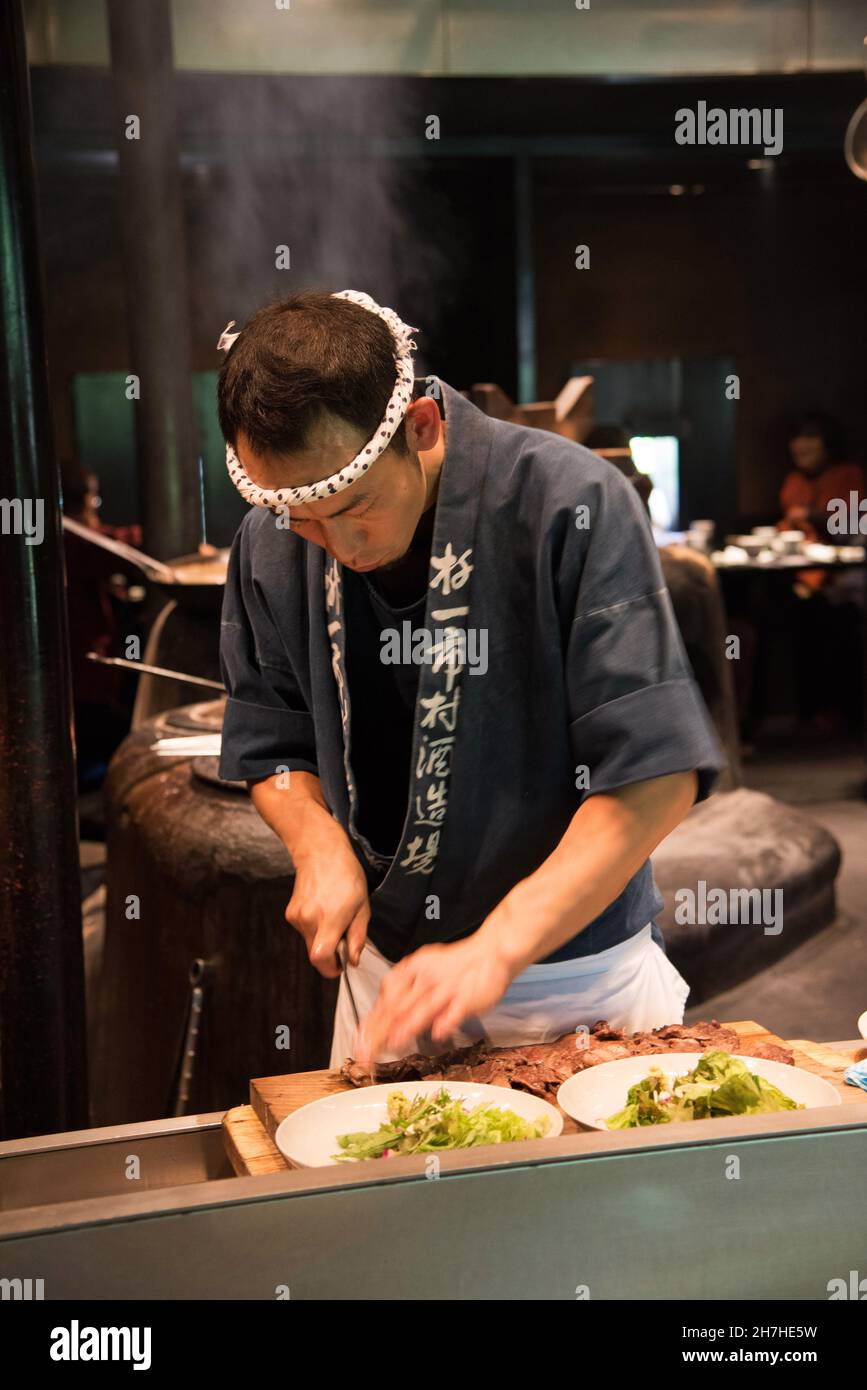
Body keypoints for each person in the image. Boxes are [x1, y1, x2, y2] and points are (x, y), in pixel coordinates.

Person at [216, 290, 721, 1068]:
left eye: (354, 507)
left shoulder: (572, 502)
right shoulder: (271, 537)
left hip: (576, 980)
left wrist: (497, 948)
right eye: (302, 519)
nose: (335, 544)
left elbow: (656, 776)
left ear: (421, 427)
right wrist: (315, 842)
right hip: (391, 982)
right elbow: (272, 741)